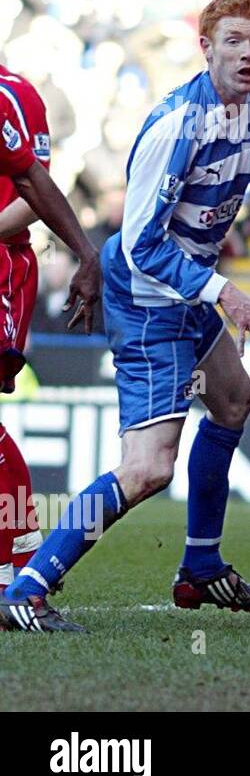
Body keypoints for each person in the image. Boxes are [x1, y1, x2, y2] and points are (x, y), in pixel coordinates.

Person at [1, 0, 250, 633]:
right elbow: (141, 245)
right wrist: (225, 292)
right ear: (205, 48)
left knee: (232, 400)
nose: (248, 53)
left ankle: (200, 568)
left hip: (188, 288)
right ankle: (27, 589)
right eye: (233, 40)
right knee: (147, 469)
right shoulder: (177, 124)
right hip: (146, 296)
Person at [0, 65, 102, 603]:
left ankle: (19, 563)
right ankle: (22, 557)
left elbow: (32, 187)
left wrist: (85, 252)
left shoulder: (15, 94)